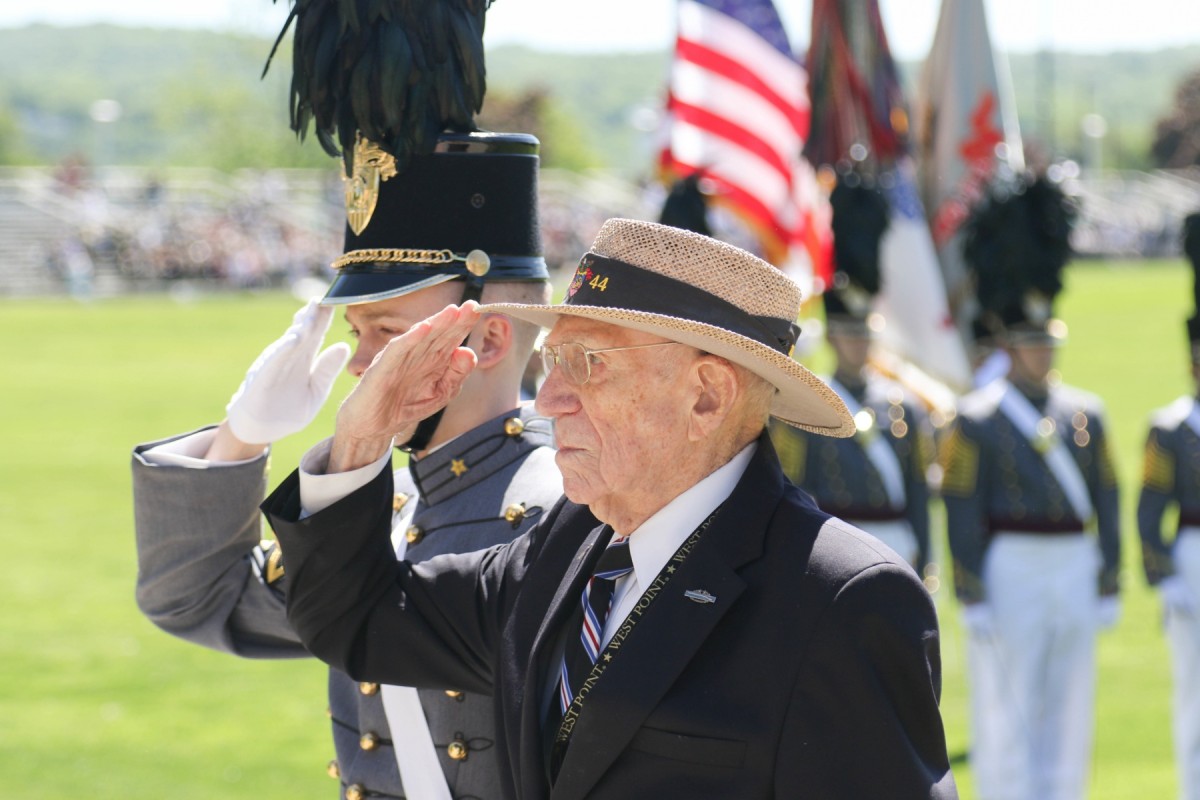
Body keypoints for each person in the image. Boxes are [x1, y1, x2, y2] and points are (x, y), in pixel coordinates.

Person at [262, 218, 958, 798]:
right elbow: (360, 622)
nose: (552, 399)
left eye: (587, 364)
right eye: (553, 362)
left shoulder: (838, 599)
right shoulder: (569, 546)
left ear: (707, 396)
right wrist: (361, 441)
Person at [132, 130, 563, 800]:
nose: (359, 364)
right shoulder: (383, 506)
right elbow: (193, 596)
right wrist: (240, 437)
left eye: (387, 333)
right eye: (355, 334)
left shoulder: (569, 508)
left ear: (487, 336)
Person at [942, 173, 1120, 800]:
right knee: (1008, 700)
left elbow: (1105, 497)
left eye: (1048, 342)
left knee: (1070, 698)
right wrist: (971, 586)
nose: (1042, 354)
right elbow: (961, 506)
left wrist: (1109, 574)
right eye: (1030, 344)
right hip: (1012, 561)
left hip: (1072, 559)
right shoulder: (978, 416)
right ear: (1009, 346)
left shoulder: (1085, 412)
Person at [771, 171, 933, 575]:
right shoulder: (804, 405)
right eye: (849, 335)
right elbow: (791, 486)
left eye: (864, 335)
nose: (858, 344)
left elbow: (917, 492)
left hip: (895, 539)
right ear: (833, 338)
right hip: (830, 540)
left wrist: (925, 556)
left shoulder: (905, 407)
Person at [1138, 211, 1200, 800]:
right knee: (1194, 696)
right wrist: (1163, 575)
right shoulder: (1173, 427)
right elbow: (1149, 507)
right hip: (1194, 557)